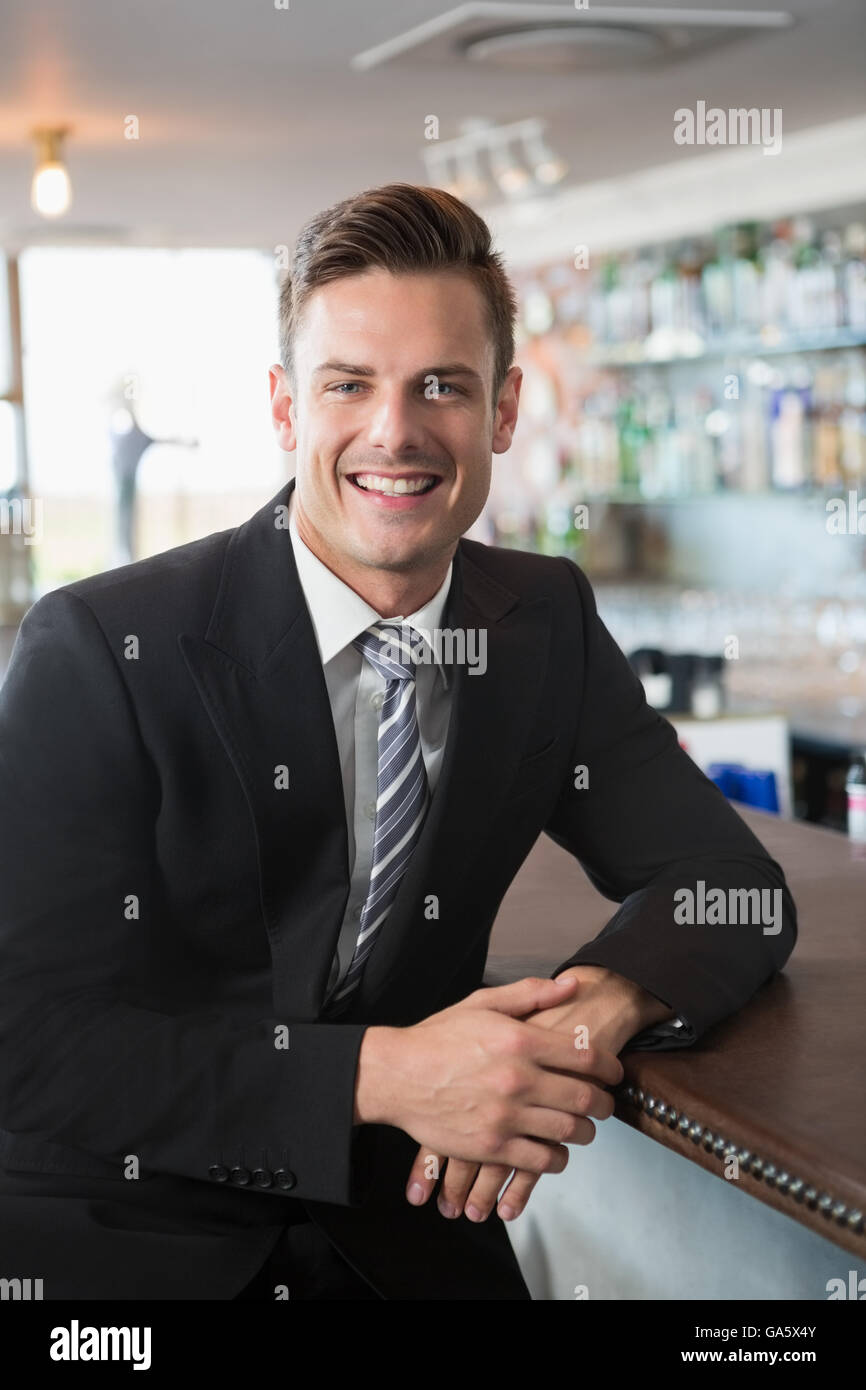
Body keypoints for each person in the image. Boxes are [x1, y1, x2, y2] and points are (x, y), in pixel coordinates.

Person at [0, 183, 796, 1301]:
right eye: (348, 385)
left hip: (403, 1228)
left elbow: (729, 885)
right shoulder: (101, 645)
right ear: (284, 408)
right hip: (123, 1237)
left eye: (441, 386)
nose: (395, 430)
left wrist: (596, 1009)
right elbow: (28, 1040)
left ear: (502, 410)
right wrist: (382, 1072)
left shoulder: (539, 622)